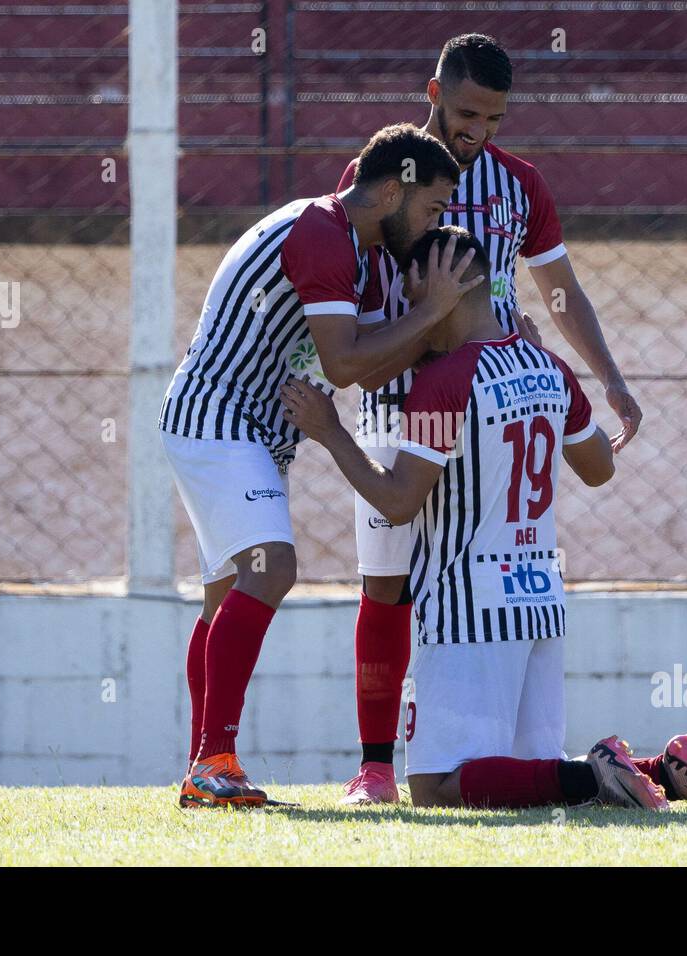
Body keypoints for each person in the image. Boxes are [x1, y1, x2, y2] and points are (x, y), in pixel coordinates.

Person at [282, 227, 687, 810]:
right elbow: (599, 466)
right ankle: (663, 768)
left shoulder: (443, 383)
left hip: (466, 606)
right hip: (539, 600)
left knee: (434, 784)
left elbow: (400, 501)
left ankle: (600, 775)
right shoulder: (549, 367)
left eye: (410, 285)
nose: (406, 304)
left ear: (445, 284)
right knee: (535, 776)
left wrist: (331, 434)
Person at [333, 34, 646, 804]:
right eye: (468, 113)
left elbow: (559, 288)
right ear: (434, 93)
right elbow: (352, 284)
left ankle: (500, 757)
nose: (478, 132)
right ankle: (377, 767)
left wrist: (607, 376)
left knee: (484, 552)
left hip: (494, 395)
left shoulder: (520, 185)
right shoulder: (379, 172)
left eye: (495, 119)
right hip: (401, 396)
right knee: (386, 584)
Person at [166, 125, 485, 808]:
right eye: (430, 208)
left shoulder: (357, 253)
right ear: (394, 187)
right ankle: (211, 761)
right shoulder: (321, 231)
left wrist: (435, 327)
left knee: (225, 596)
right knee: (271, 569)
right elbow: (344, 364)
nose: (433, 224)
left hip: (245, 429)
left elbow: (367, 368)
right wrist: (432, 313)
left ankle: (205, 768)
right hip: (219, 418)